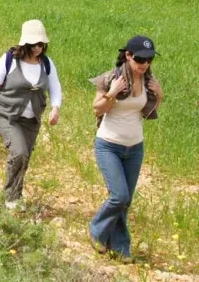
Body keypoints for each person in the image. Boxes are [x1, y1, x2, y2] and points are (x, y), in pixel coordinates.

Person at [88, 36, 163, 261]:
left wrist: (159, 96)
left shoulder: (149, 80)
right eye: (140, 58)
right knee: (119, 196)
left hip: (135, 147)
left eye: (149, 59)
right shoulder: (112, 78)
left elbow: (146, 112)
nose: (144, 64)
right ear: (128, 56)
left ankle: (120, 247)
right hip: (109, 145)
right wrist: (112, 93)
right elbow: (97, 109)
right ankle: (96, 229)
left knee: (126, 200)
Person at [0, 20, 62, 209]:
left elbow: (55, 88)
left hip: (32, 120)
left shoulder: (46, 64)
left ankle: (15, 196)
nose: (37, 48)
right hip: (7, 116)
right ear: (25, 43)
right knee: (19, 152)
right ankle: (10, 198)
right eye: (33, 44)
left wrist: (55, 109)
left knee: (25, 158)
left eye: (41, 44)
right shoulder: (10, 60)